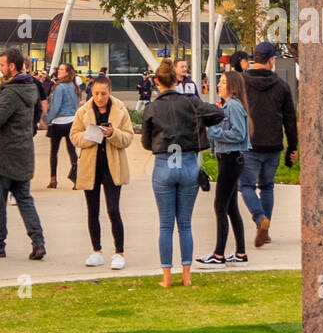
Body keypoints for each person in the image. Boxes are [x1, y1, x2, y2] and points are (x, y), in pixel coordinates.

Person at [142, 60, 218, 288]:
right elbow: (217, 113)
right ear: (176, 80)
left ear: (157, 82)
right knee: (185, 224)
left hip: (165, 163)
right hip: (187, 163)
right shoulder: (190, 103)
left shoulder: (152, 108)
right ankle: (187, 274)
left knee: (166, 225)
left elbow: (146, 142)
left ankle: (166, 276)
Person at [0, 48, 46, 261]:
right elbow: (34, 119)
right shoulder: (30, 87)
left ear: (12, 66)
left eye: (3, 65)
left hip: (4, 154)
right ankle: (38, 241)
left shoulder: (11, 91)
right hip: (22, 150)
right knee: (24, 198)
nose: (0, 68)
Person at [70, 73, 132, 270]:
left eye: (103, 93)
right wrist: (91, 137)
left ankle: (119, 252)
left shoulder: (120, 110)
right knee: (92, 211)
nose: (99, 98)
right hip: (91, 166)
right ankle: (96, 251)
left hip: (113, 166)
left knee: (113, 210)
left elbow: (129, 137)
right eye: (96, 93)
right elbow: (74, 136)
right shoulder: (83, 111)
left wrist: (114, 134)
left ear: (110, 92)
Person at [241, 41, 298, 248]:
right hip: (273, 145)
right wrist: (292, 147)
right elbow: (290, 120)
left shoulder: (242, 83)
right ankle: (264, 232)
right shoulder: (282, 86)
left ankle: (259, 218)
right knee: (267, 187)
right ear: (271, 60)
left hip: (249, 144)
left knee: (246, 185)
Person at [198, 71, 251, 267]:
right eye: (218, 81)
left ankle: (219, 255)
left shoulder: (234, 106)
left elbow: (238, 134)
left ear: (233, 87)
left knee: (220, 205)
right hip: (227, 159)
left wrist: (212, 132)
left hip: (231, 160)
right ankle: (240, 253)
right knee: (231, 207)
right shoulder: (227, 106)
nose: (218, 85)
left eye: (222, 82)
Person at [42, 61, 80, 189]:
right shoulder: (74, 86)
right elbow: (76, 104)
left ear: (68, 73)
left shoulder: (60, 87)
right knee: (72, 151)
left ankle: (53, 179)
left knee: (54, 152)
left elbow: (56, 106)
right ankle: (77, 178)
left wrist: (47, 119)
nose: (59, 71)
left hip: (58, 122)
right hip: (71, 121)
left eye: (62, 69)